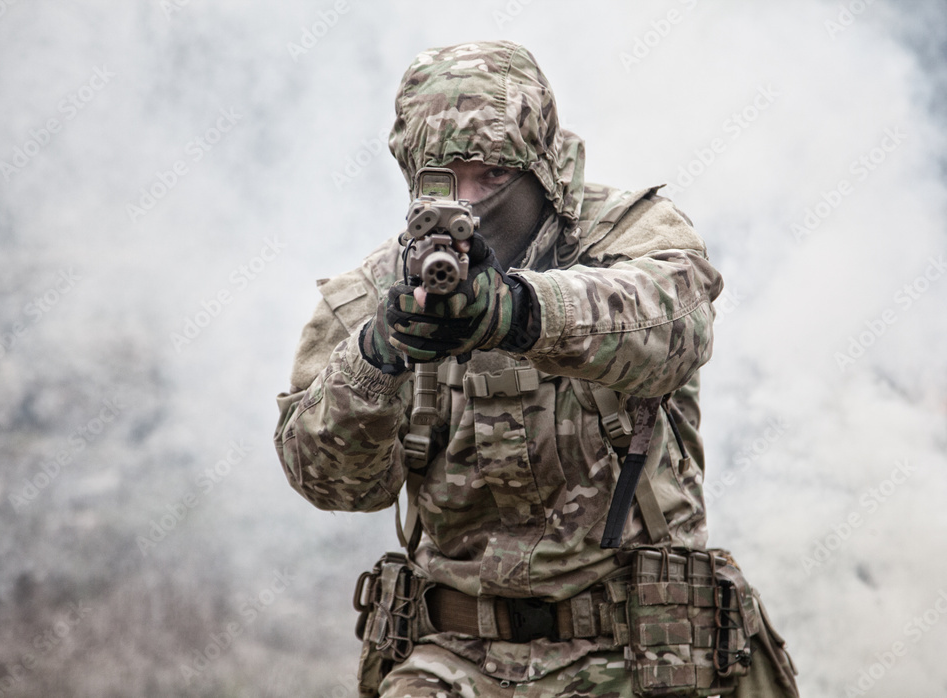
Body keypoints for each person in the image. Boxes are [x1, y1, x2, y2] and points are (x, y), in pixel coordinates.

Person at [275, 40, 799, 697]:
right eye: (445, 177)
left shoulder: (630, 239)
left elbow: (673, 325)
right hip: (456, 660)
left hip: (641, 657)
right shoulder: (375, 294)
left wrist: (517, 312)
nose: (468, 200)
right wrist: (380, 355)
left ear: (538, 166)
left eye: (491, 174)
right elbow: (331, 481)